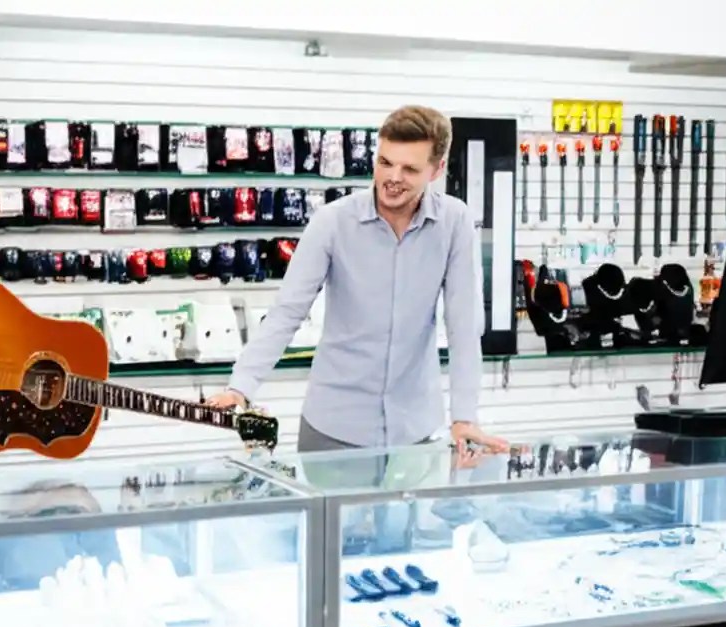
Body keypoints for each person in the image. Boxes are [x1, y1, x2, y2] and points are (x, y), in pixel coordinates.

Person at [206, 105, 508, 461]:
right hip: (334, 428)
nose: (392, 177)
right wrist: (240, 388)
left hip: (416, 432)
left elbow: (464, 324)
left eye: (410, 169)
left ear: (437, 169)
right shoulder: (332, 222)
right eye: (385, 162)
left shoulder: (454, 222)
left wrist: (464, 417)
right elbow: (286, 312)